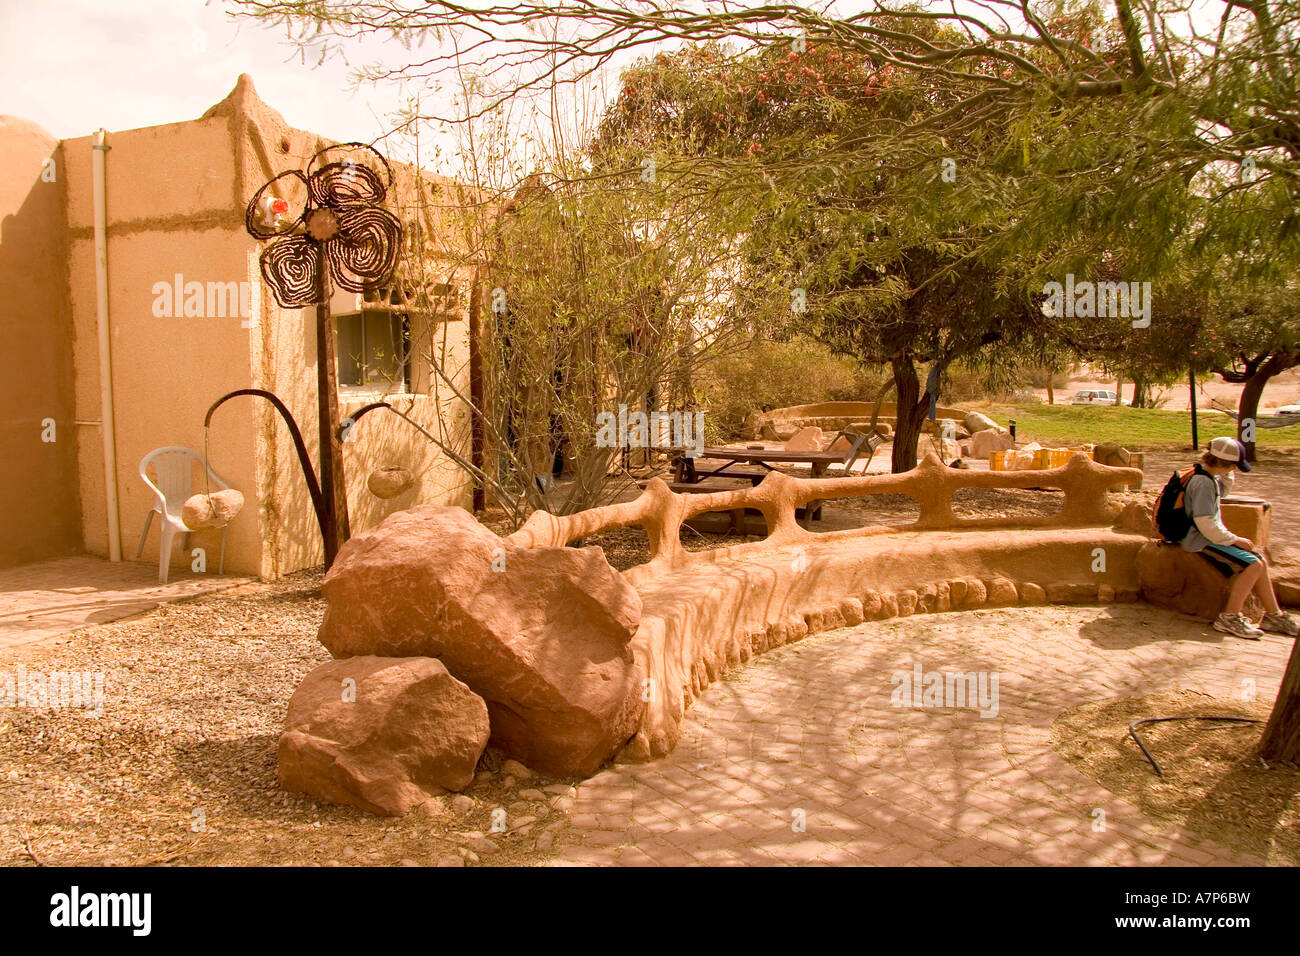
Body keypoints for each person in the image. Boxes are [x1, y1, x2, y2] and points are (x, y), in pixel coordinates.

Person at [1180, 436, 1299, 639]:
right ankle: (1229, 617)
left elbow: (1222, 491)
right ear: (1223, 463)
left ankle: (1274, 615)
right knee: (1253, 564)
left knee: (1259, 560)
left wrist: (1226, 475)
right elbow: (1206, 523)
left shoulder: (1209, 478)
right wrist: (1235, 540)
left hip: (1207, 536)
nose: (1233, 470)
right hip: (1198, 539)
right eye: (1232, 467)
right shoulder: (1203, 484)